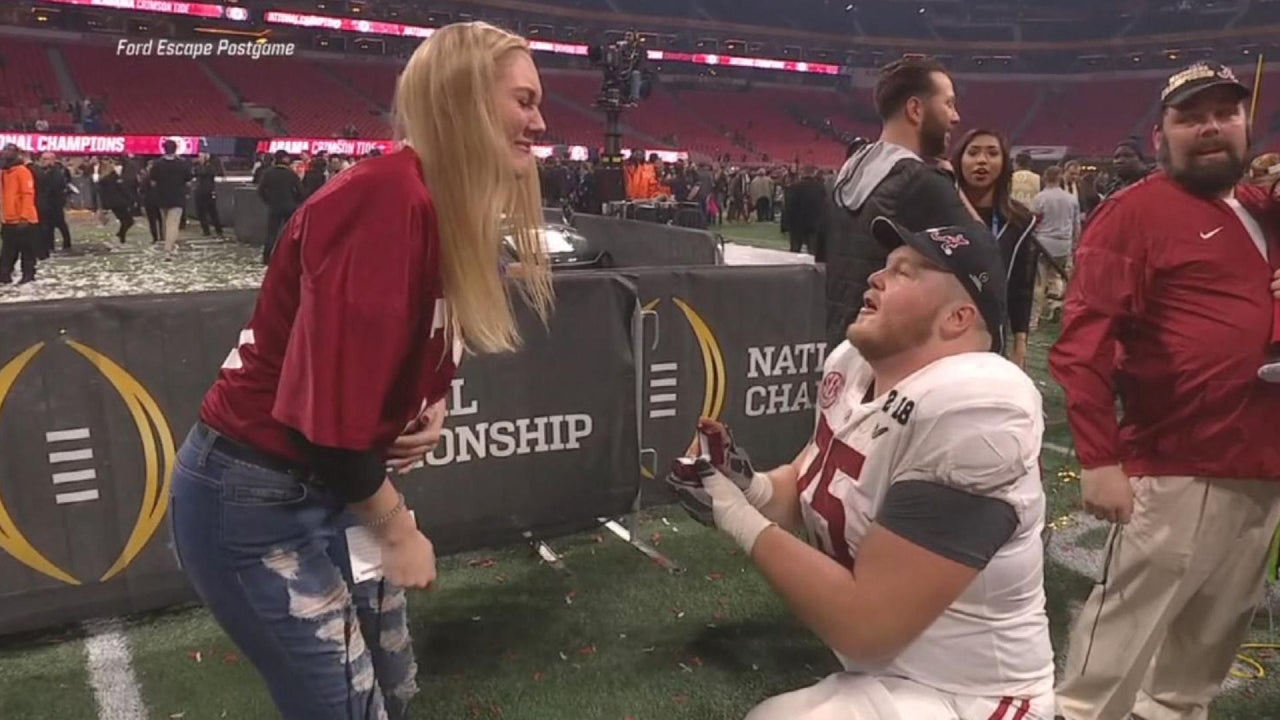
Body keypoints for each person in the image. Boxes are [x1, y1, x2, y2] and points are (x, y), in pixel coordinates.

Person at [168, 21, 555, 720]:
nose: (539, 120)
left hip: (326, 486)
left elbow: (421, 342)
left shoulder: (439, 200)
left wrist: (427, 406)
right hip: (262, 495)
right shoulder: (386, 198)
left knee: (391, 691)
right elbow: (330, 421)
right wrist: (397, 526)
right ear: (464, 98)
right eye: (523, 101)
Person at [669, 218, 1054, 719]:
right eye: (886, 266)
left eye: (906, 273)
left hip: (974, 696)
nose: (877, 277)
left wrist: (733, 514)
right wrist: (750, 486)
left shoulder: (978, 407)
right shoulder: (853, 367)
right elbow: (816, 489)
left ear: (957, 317)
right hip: (895, 675)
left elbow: (865, 626)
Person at [1051, 62, 1280, 720]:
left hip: (1262, 465)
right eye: (1190, 117)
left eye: (1223, 113)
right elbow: (1081, 343)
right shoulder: (1135, 212)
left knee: (1197, 669)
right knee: (1107, 668)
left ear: (1247, 124)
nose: (1209, 127)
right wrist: (1098, 457)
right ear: (1162, 135)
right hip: (1178, 464)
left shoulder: (1262, 209)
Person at [825, 57, 974, 350]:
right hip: (895, 356)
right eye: (948, 104)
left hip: (842, 347)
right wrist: (956, 188)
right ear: (916, 109)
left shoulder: (844, 175)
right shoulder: (923, 182)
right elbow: (985, 264)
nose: (956, 117)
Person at [952, 128, 1039, 368]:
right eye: (973, 153)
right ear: (959, 160)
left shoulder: (1019, 221)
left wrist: (1020, 340)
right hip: (941, 326)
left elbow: (1022, 285)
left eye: (992, 153)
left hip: (992, 330)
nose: (982, 160)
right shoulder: (940, 210)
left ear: (1004, 163)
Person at [1030, 165, 1080, 327]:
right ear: (1059, 178)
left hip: (1043, 243)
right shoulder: (1071, 199)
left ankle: (1033, 320)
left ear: (1045, 177)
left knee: (1039, 282)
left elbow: (1034, 222)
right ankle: (1055, 306)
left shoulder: (1040, 198)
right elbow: (1076, 224)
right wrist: (1074, 244)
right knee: (1057, 278)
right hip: (1063, 244)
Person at [1, 143, 40, 284]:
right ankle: (4, 274)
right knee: (8, 251)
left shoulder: (22, 171)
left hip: (23, 220)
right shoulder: (5, 172)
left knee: (26, 251)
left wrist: (24, 216)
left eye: (8, 151)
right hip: (8, 219)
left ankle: (28, 275)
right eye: (4, 150)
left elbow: (28, 194)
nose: (5, 153)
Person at [257, 150, 303, 265]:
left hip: (274, 207)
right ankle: (289, 258)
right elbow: (300, 191)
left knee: (271, 233)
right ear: (284, 159)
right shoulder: (291, 174)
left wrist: (269, 201)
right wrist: (295, 201)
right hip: (289, 207)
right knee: (289, 233)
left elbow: (261, 190)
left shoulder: (268, 173)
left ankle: (266, 258)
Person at [96, 159, 133, 244]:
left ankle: (121, 236)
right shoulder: (112, 177)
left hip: (113, 202)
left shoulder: (103, 179)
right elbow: (121, 189)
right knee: (128, 221)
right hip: (118, 202)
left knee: (125, 221)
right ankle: (120, 235)